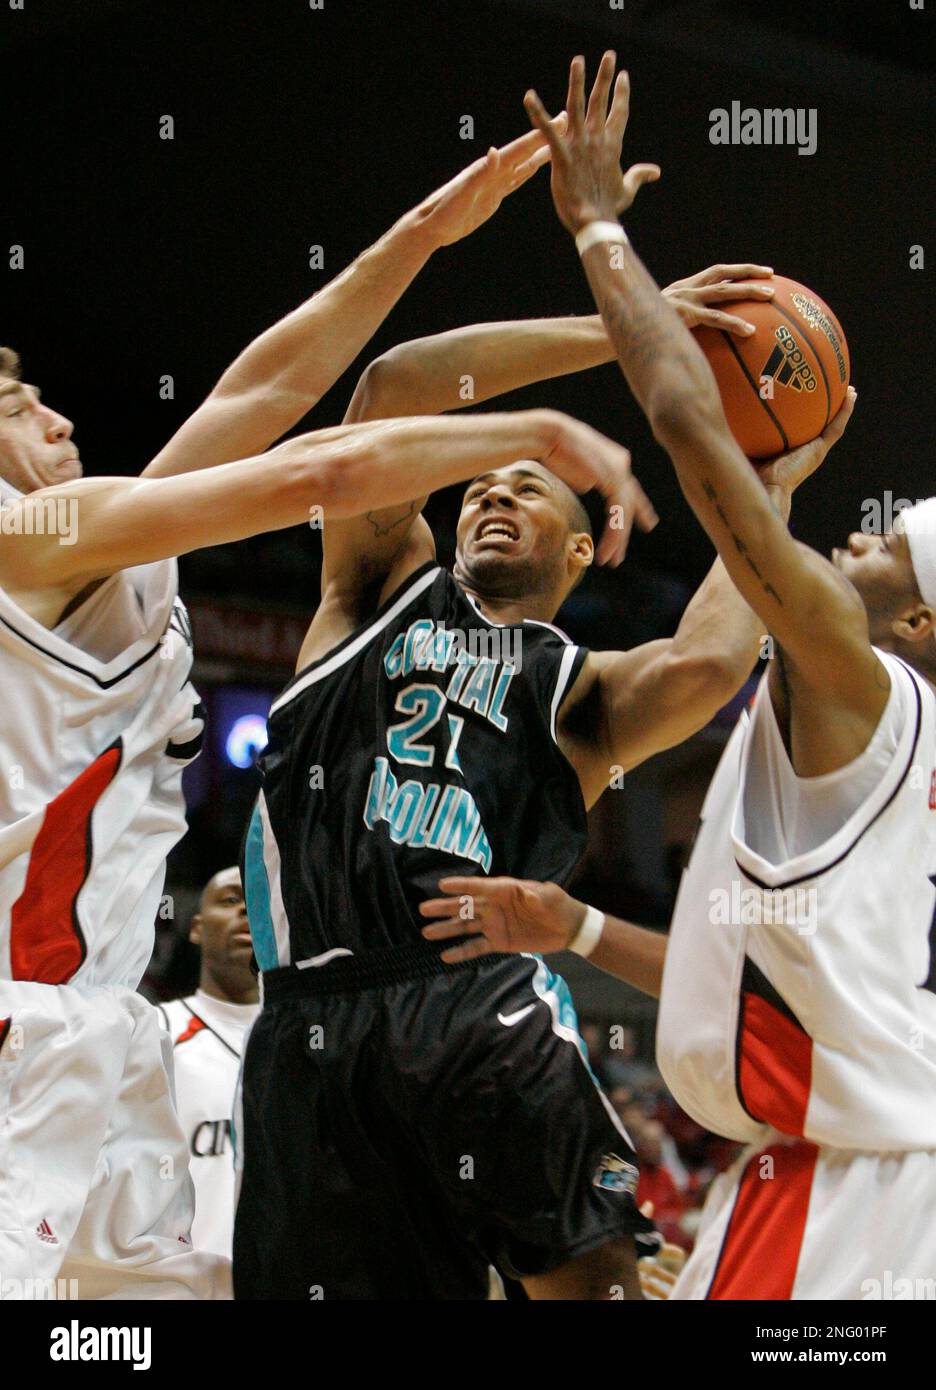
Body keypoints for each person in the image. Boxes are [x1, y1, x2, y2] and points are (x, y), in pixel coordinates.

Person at [0, 125, 619, 1298]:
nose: (62, 424)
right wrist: (535, 434)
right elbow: (320, 471)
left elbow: (271, 387)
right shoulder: (27, 537)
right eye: (26, 408)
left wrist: (426, 230)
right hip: (20, 1024)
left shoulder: (101, 543)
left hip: (100, 1024)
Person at [232, 136, 833, 1300]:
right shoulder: (371, 589)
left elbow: (713, 664)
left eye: (530, 485)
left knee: (596, 1278)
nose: (497, 489)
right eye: (483, 482)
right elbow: (396, 388)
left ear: (579, 545)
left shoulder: (583, 691)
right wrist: (626, 325)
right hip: (312, 1023)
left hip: (478, 1002)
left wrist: (767, 480)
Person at [421, 51, 936, 1300]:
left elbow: (693, 438)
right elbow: (779, 957)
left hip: (849, 1197)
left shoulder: (869, 698)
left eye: (890, 543)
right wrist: (581, 927)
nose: (857, 536)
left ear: (922, 615)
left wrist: (599, 231)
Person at [158, 869, 257, 1259]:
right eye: (231, 900)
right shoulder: (155, 1032)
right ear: (196, 928)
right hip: (181, 1282)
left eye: (259, 900)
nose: (248, 909)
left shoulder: (312, 1040)